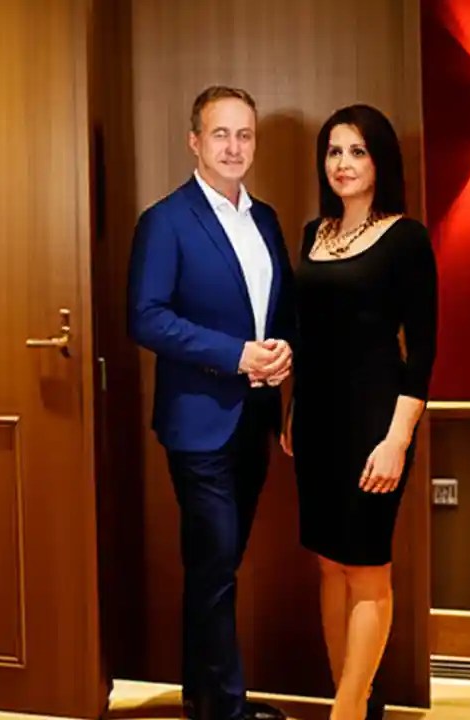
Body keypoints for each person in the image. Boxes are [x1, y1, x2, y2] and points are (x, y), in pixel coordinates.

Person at [128, 85, 294, 720]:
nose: (234, 146)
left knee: (216, 565)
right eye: (220, 134)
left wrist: (282, 353)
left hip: (253, 418)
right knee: (216, 565)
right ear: (195, 141)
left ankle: (204, 699)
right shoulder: (165, 220)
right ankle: (225, 709)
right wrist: (236, 354)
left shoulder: (267, 219)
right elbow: (144, 318)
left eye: (244, 135)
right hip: (198, 422)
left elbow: (279, 309)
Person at [280, 104, 438, 720]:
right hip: (316, 419)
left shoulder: (406, 237)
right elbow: (306, 335)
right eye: (334, 151)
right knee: (328, 562)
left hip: (376, 421)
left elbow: (421, 348)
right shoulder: (311, 234)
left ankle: (345, 713)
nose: (342, 164)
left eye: (357, 152)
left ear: (380, 163)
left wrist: (398, 439)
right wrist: (291, 410)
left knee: (367, 565)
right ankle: (354, 701)